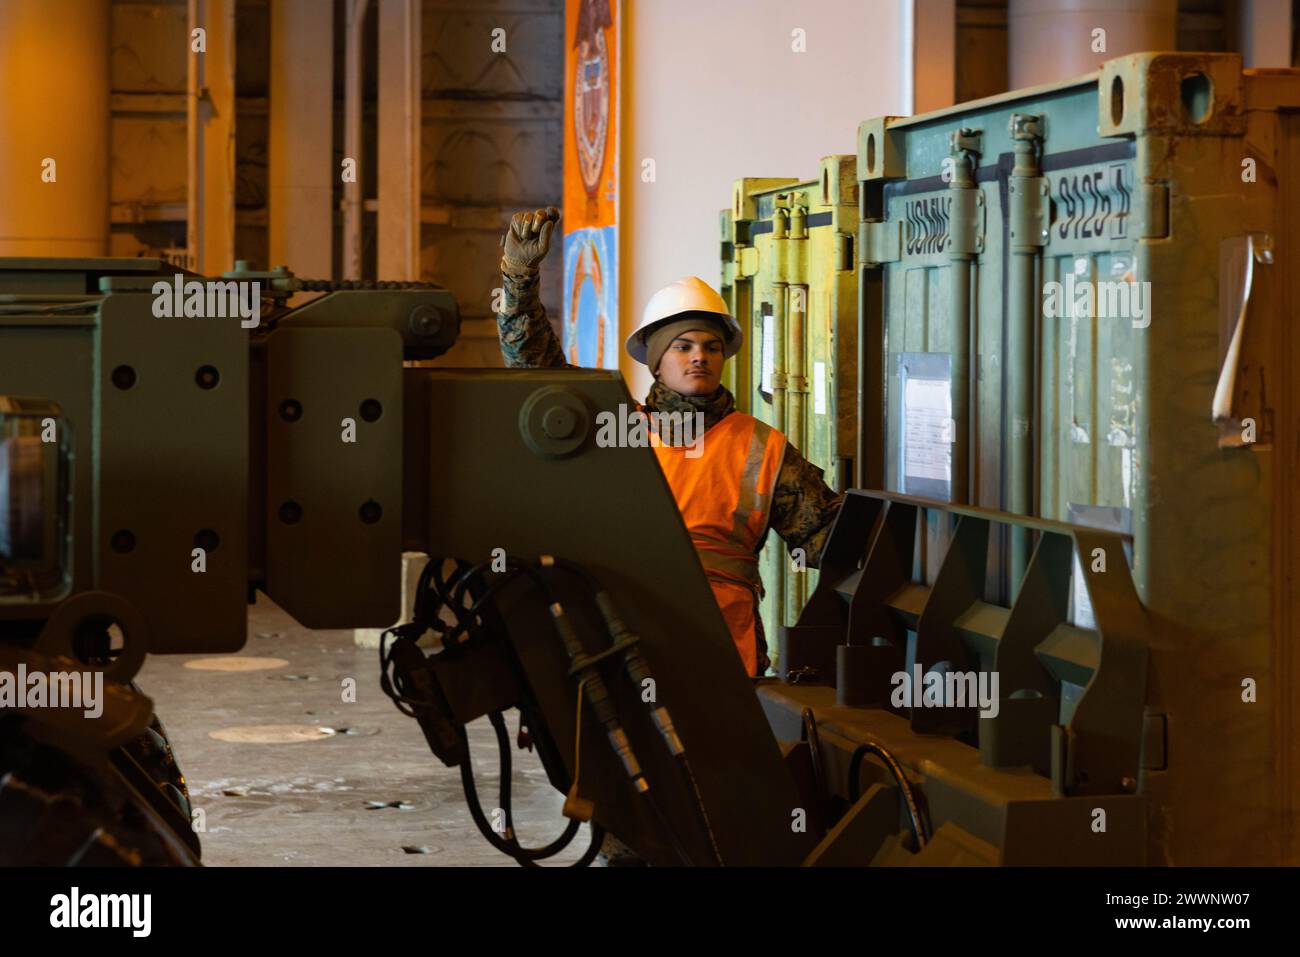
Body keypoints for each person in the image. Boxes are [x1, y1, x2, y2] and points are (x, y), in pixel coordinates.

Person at [496, 206, 843, 678]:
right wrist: (519, 276)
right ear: (656, 361)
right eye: (682, 346)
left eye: (711, 346)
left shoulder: (762, 447)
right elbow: (538, 376)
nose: (699, 357)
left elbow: (831, 545)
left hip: (725, 659)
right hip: (624, 645)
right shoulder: (614, 428)